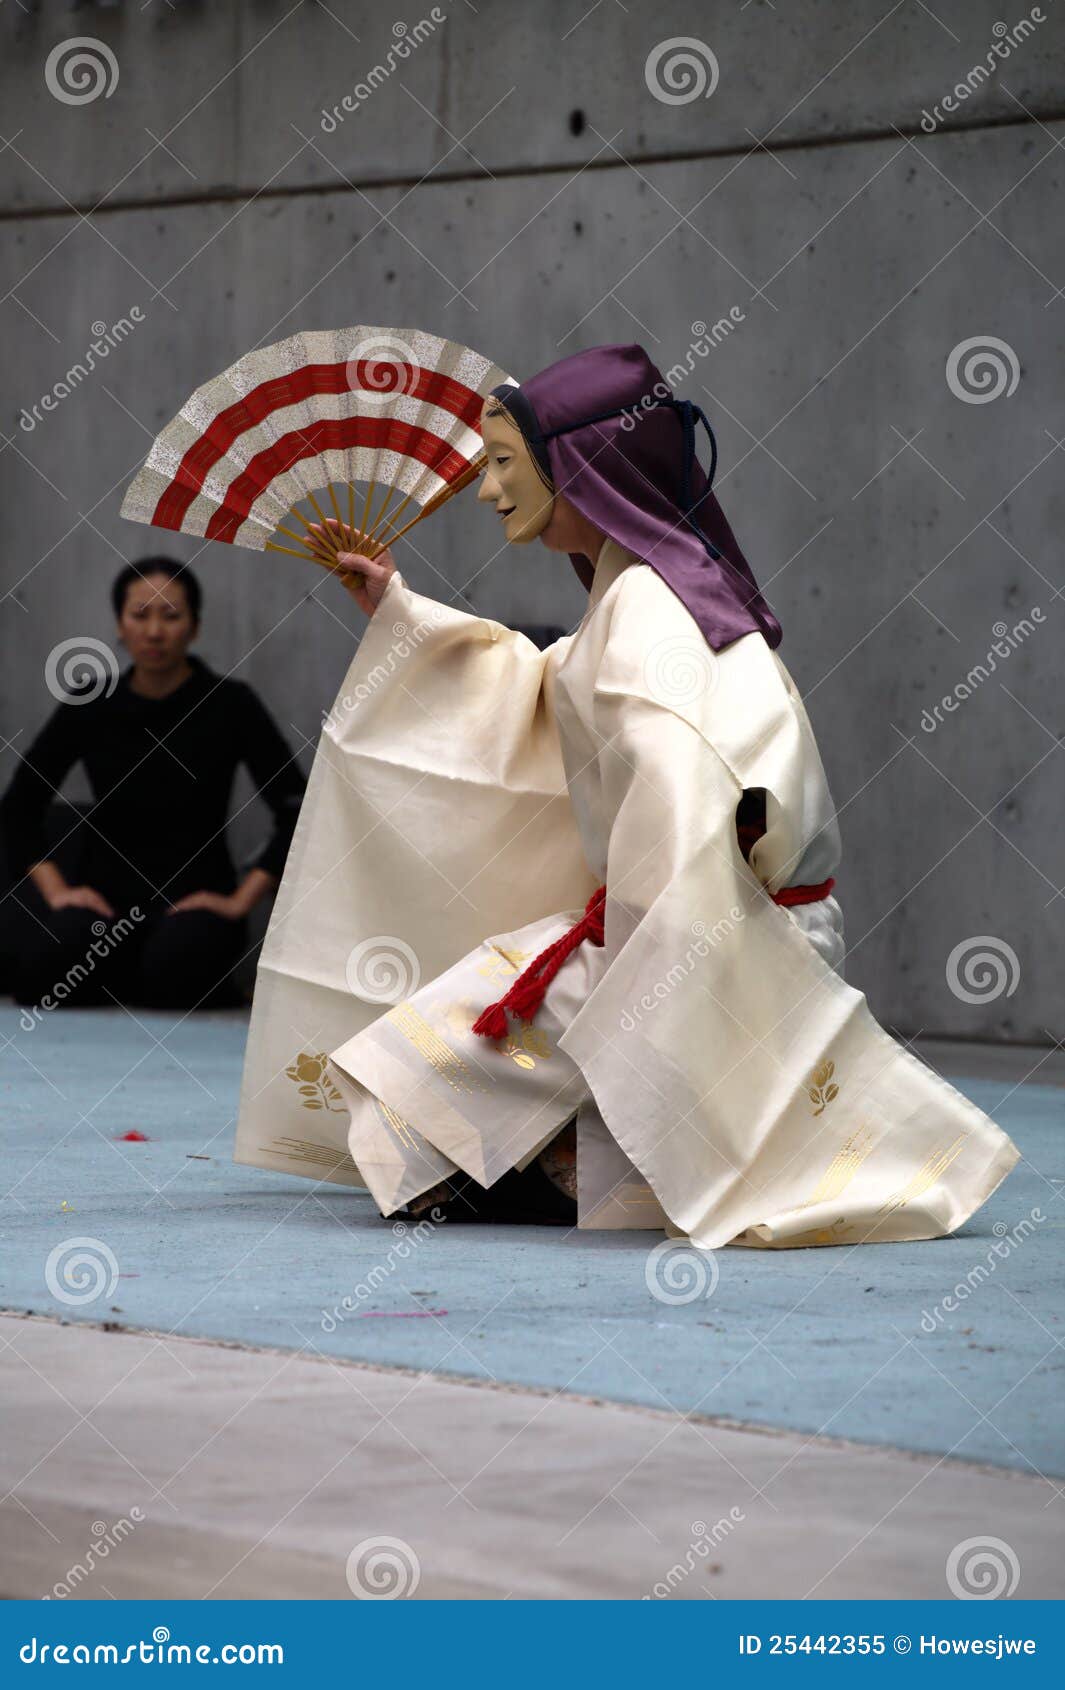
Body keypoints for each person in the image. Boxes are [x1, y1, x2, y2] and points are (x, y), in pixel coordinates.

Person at [234, 344, 1018, 1248]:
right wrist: (402, 615)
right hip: (673, 924)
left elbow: (679, 800)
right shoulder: (642, 593)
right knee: (413, 1093)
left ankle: (593, 1154)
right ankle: (589, 1154)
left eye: (501, 463)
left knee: (409, 1097)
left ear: (583, 466)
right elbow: (544, 690)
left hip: (715, 939)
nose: (486, 491)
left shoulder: (652, 607)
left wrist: (645, 977)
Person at [0, 557, 305, 1013]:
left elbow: (297, 806)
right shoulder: (91, 702)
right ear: (120, 626)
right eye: (140, 615)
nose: (155, 631)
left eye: (171, 615)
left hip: (194, 905)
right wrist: (59, 894)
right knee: (47, 974)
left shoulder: (230, 704)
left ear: (195, 627)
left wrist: (241, 901)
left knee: (175, 970)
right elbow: (19, 805)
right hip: (104, 907)